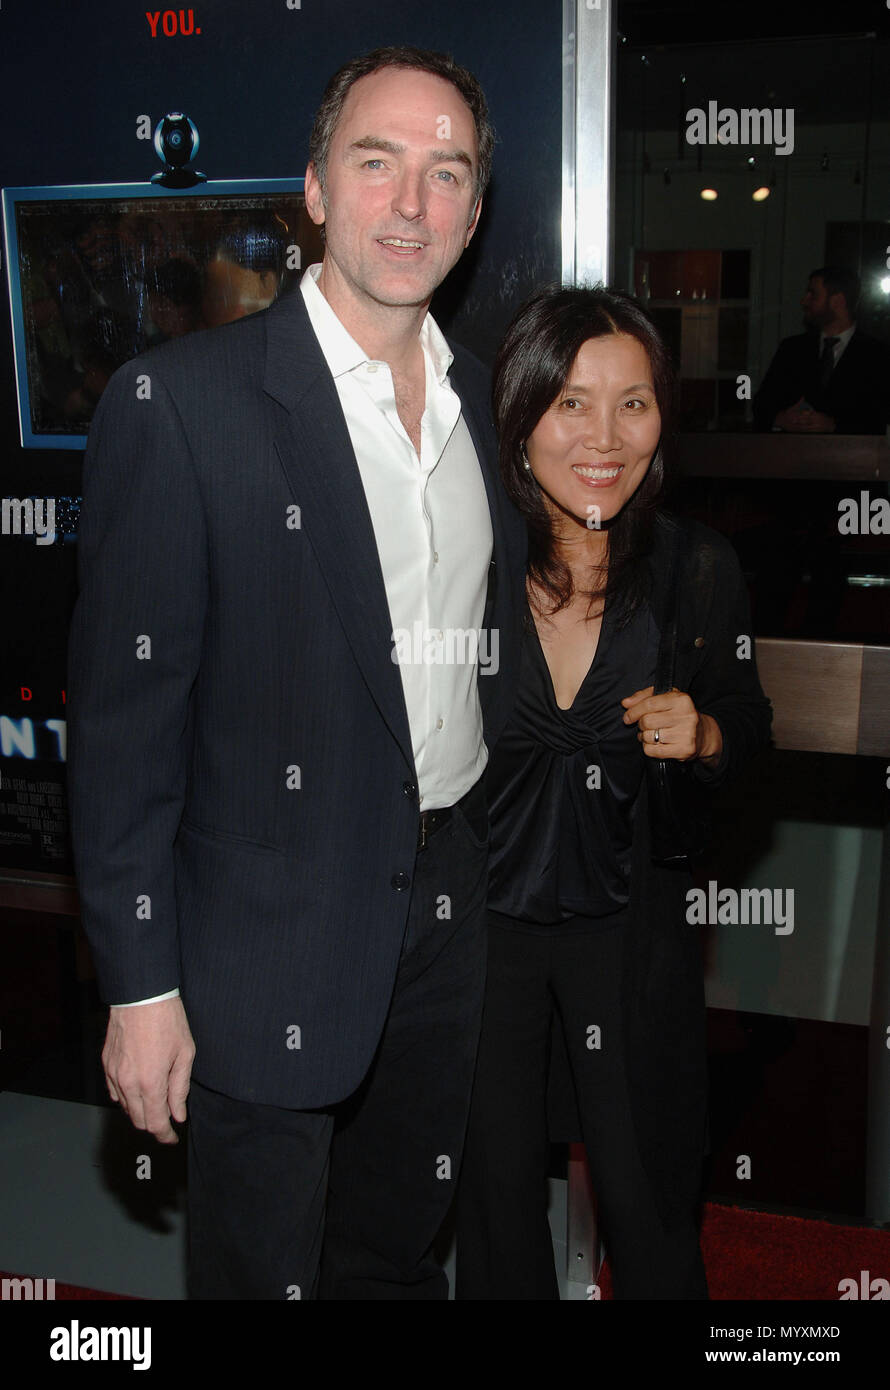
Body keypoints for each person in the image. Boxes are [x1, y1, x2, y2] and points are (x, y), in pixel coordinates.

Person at [67, 45, 526, 1300]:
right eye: (376, 164)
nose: (411, 204)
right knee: (261, 1269)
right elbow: (123, 730)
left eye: (446, 175)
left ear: (475, 213)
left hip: (442, 901)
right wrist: (142, 983)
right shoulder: (182, 404)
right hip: (259, 926)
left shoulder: (488, 407)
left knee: (392, 1250)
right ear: (316, 189)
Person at [455, 285, 772, 1300]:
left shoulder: (695, 568)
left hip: (627, 929)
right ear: (520, 413)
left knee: (645, 1199)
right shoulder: (463, 560)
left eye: (631, 403)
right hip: (479, 933)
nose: (603, 436)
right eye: (571, 403)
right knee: (493, 1200)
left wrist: (709, 733)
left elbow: (749, 731)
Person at [753, 265, 890, 435]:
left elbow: (879, 416)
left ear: (837, 301)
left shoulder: (876, 354)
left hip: (851, 458)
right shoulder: (792, 349)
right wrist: (780, 419)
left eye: (813, 295)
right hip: (791, 455)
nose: (804, 301)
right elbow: (761, 405)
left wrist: (834, 425)